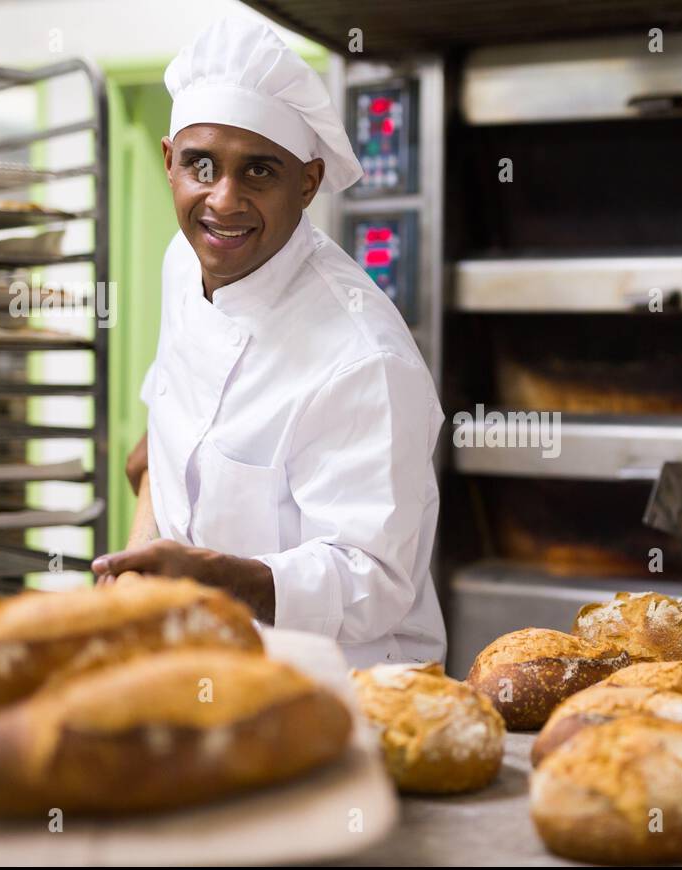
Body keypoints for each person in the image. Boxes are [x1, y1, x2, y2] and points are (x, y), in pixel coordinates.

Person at [91, 17, 445, 667]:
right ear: (169, 161)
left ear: (306, 183)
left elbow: (375, 583)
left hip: (348, 689)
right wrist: (144, 550)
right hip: (203, 662)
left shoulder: (364, 358)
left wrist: (217, 578)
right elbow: (170, 423)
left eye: (258, 171)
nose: (222, 202)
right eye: (202, 165)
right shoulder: (183, 259)